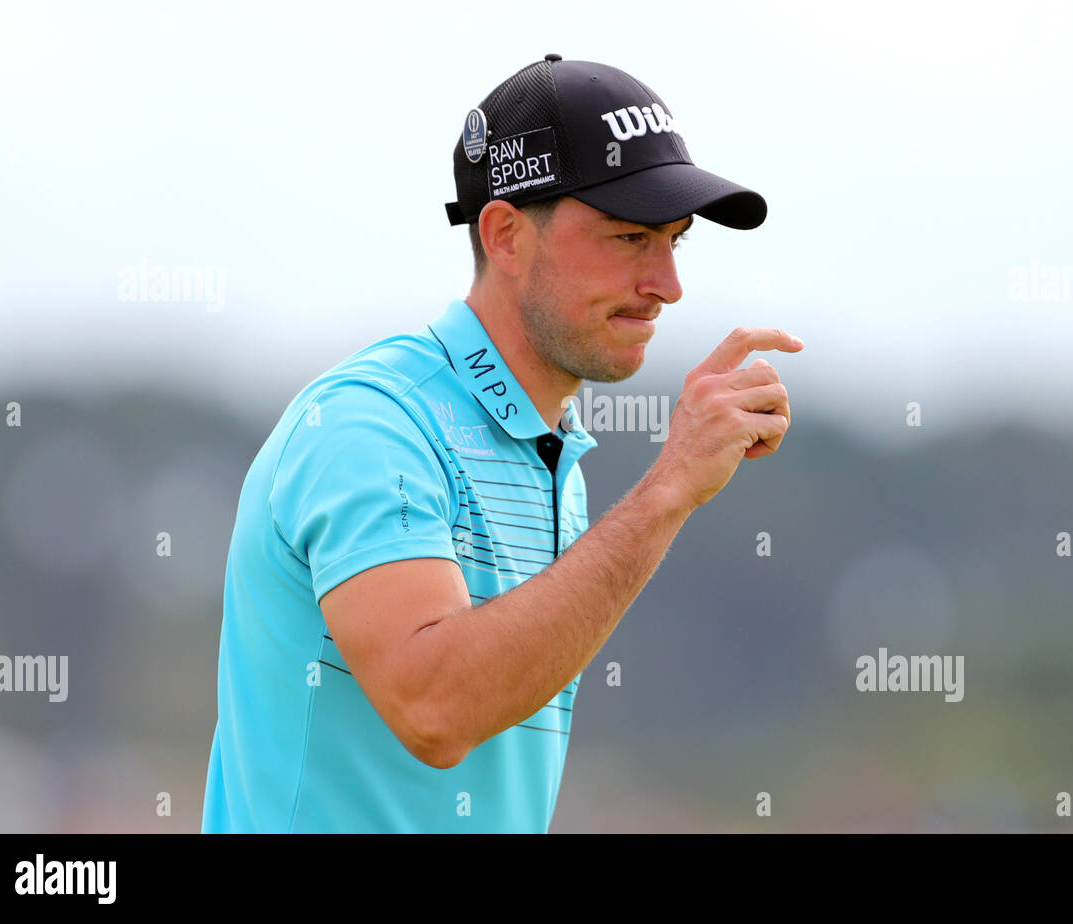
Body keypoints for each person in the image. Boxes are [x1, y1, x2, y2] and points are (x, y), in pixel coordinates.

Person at [201, 54, 802, 833]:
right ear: (507, 234)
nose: (666, 283)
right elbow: (435, 708)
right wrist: (666, 490)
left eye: (674, 242)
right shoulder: (371, 424)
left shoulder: (557, 457)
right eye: (628, 238)